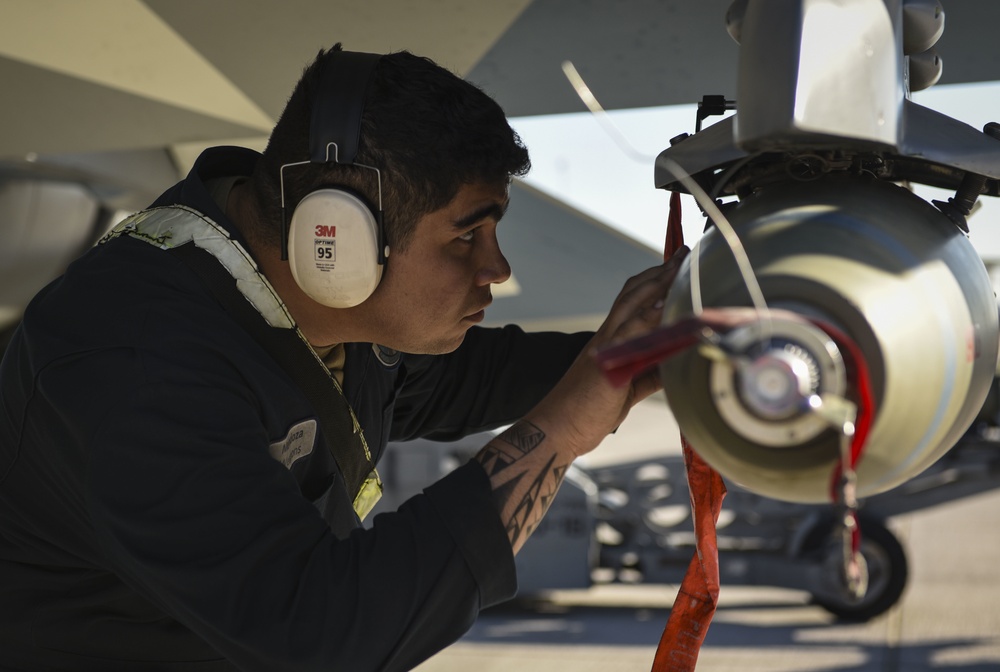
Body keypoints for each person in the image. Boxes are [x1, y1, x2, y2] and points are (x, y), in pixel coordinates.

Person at [0, 44, 685, 671]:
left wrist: (652, 355)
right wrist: (561, 432)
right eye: (466, 236)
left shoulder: (311, 320)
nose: (497, 268)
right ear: (338, 239)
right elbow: (320, 635)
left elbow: (468, 378)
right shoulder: (134, 362)